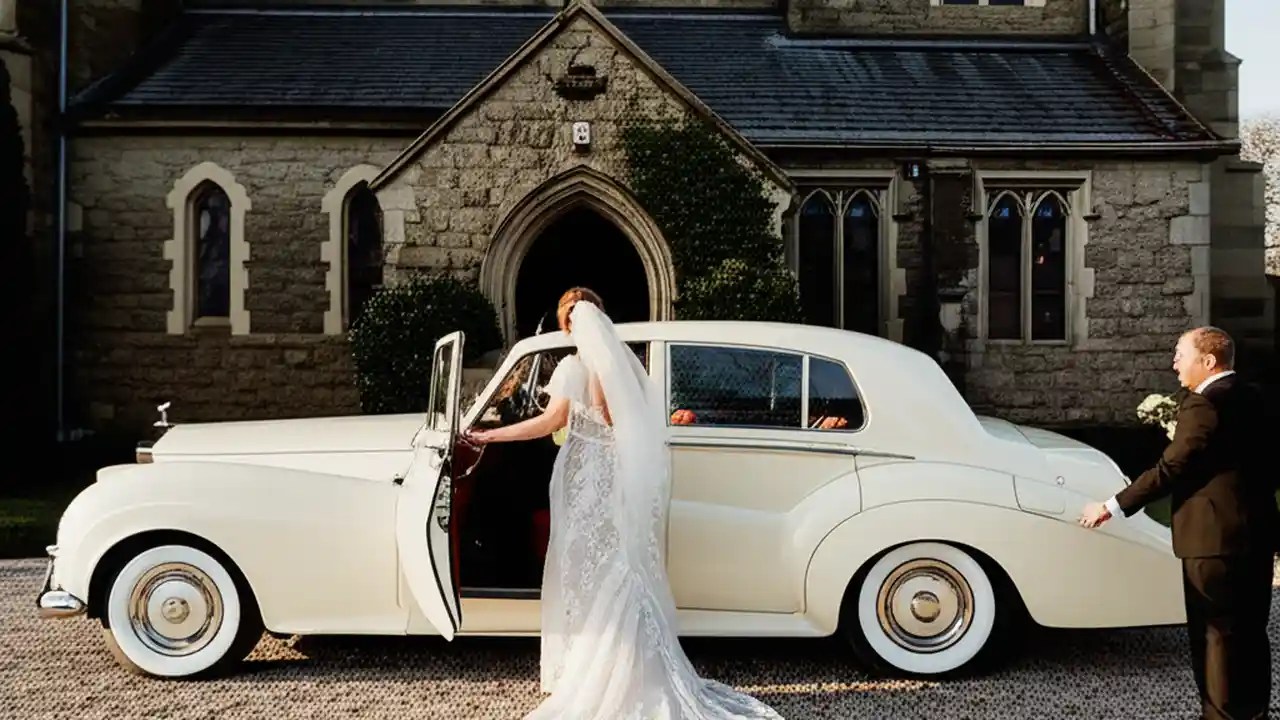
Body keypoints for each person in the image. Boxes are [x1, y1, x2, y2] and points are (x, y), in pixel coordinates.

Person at [466, 287, 784, 720]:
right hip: (611, 475)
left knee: (588, 567)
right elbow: (623, 419)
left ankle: (599, 669)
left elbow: (552, 421)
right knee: (616, 563)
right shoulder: (628, 367)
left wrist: (490, 435)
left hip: (584, 477)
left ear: (567, 325)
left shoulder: (578, 366)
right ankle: (619, 663)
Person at [1079, 326, 1275, 720]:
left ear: (1208, 361)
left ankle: (1219, 715)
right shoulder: (1257, 397)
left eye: (1180, 355)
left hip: (1212, 537)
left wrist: (1112, 506)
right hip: (1258, 529)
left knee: (1215, 634)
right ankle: (1254, 711)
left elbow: (1172, 467)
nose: (1174, 363)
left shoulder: (1202, 405)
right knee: (1252, 629)